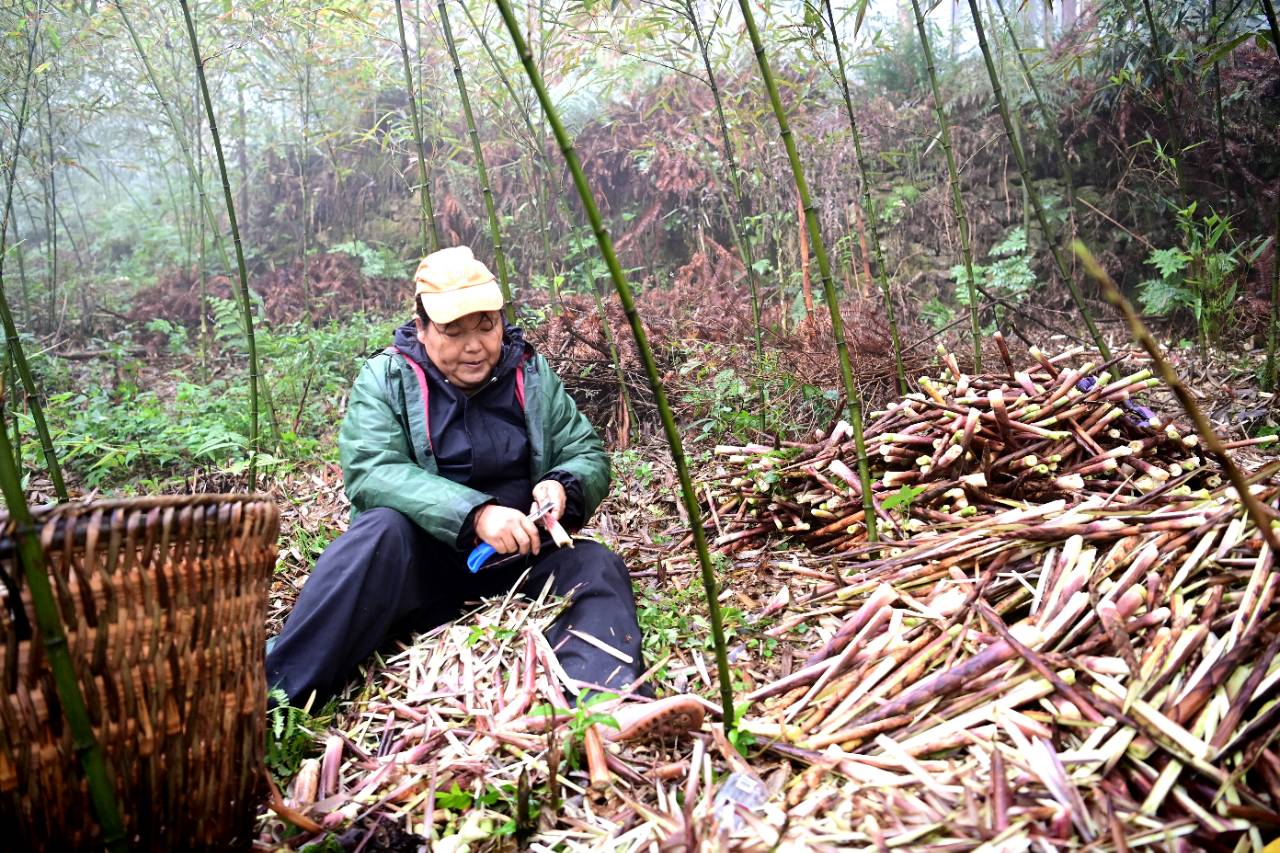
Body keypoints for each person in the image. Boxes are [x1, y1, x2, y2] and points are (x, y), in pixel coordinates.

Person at [266, 246, 702, 738]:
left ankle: (604, 701)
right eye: (454, 332)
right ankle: (272, 694)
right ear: (422, 326)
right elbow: (373, 470)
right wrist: (474, 514)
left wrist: (563, 487)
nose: (474, 346)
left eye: (487, 326)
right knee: (376, 534)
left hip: (524, 553)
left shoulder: (530, 374)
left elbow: (585, 451)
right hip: (427, 561)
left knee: (596, 564)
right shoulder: (387, 379)